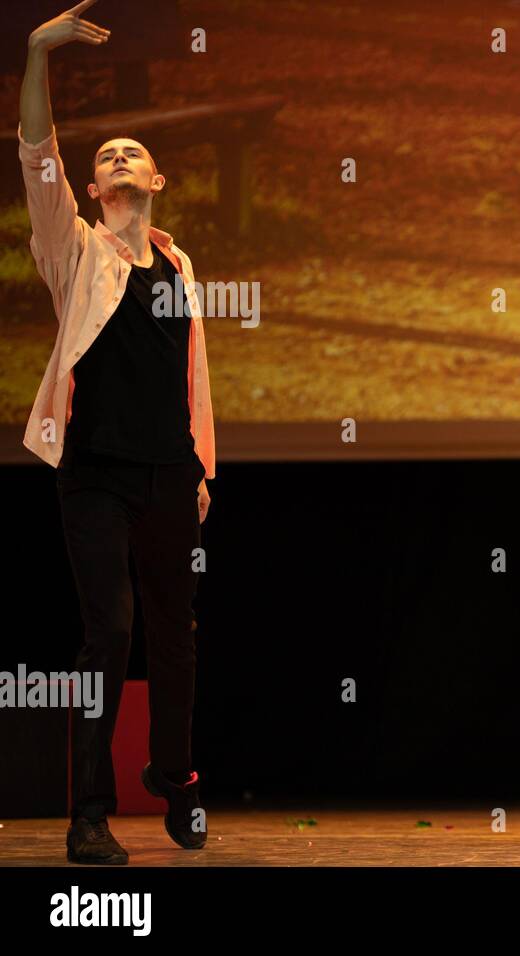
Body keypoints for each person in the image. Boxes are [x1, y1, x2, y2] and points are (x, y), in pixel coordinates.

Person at [19, 0, 215, 864]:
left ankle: (175, 779)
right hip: (94, 471)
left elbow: (190, 373)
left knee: (177, 637)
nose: (118, 159)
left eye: (133, 151)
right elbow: (35, 156)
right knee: (111, 631)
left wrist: (201, 464)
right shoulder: (75, 251)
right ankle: (89, 814)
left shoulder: (177, 263)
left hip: (169, 473)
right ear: (93, 191)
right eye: (105, 157)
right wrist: (35, 53)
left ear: (158, 180)